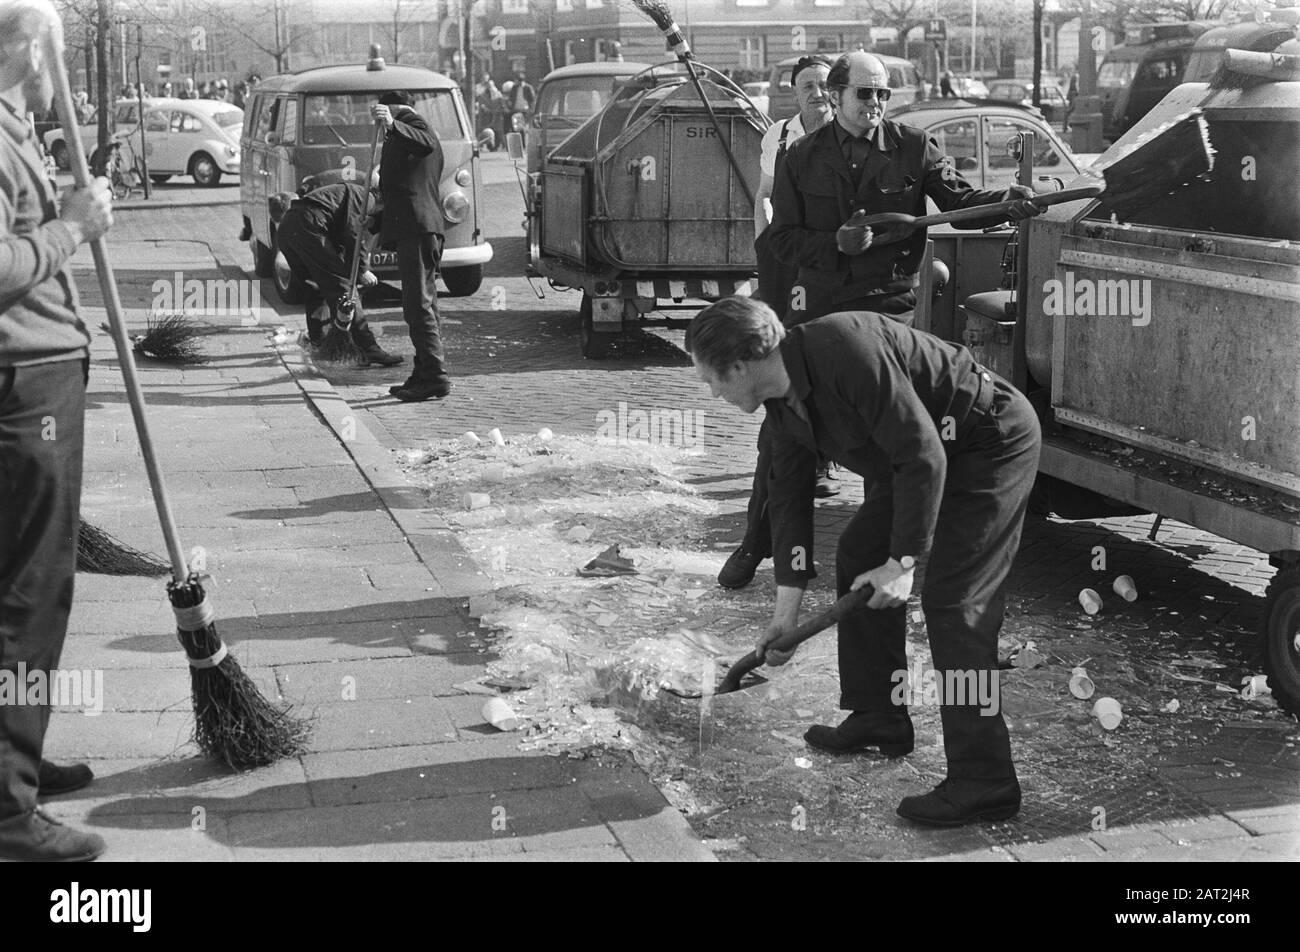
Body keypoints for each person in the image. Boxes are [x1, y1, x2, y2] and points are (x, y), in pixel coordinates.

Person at [687, 297, 1042, 827]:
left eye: (711, 378)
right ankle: (880, 715)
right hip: (920, 463)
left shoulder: (846, 350)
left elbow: (923, 453)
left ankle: (985, 779)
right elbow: (788, 503)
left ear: (740, 366)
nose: (712, 391)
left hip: (987, 440)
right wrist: (786, 613)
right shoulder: (783, 405)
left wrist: (902, 563)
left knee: (956, 603)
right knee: (858, 554)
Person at [1, 0, 112, 862]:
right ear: (29, 53)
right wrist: (74, 226)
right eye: (54, 59)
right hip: (21, 389)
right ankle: (8, 809)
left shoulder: (14, 129)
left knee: (27, 590)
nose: (57, 79)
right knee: (27, 599)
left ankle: (17, 762)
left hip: (40, 377)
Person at [768, 51, 1041, 326]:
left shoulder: (915, 147)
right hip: (819, 297)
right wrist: (835, 244)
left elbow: (960, 202)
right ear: (835, 96)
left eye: (882, 94)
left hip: (888, 300)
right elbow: (781, 239)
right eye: (864, 93)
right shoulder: (801, 155)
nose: (875, 102)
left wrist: (1005, 201)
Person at [720, 53, 836, 590]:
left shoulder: (878, 147)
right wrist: (772, 248)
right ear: (795, 92)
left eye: (825, 85)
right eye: (808, 85)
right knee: (782, 418)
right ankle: (757, 540)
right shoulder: (785, 141)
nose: (818, 93)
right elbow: (768, 201)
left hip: (847, 291)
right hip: (791, 269)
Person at [267, 177, 401, 367]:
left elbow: (340, 239)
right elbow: (354, 233)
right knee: (344, 290)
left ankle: (320, 343)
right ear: (382, 201)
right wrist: (363, 270)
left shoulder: (347, 194)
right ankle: (368, 348)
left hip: (289, 230)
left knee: (315, 288)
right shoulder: (367, 198)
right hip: (308, 226)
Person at [370, 90, 451, 402]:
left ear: (391, 106)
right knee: (424, 304)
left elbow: (425, 141)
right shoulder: (405, 132)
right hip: (417, 227)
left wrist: (392, 124)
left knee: (417, 305)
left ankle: (434, 376)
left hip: (418, 229)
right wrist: (377, 222)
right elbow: (403, 186)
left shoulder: (412, 124)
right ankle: (424, 370)